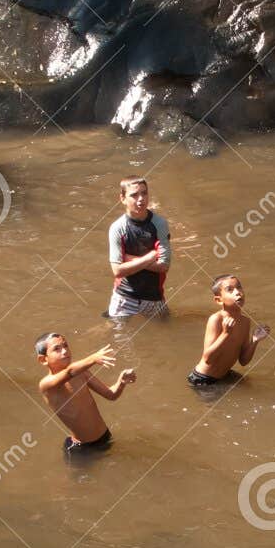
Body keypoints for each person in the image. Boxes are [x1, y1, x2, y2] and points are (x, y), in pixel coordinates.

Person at [36, 333, 136, 457]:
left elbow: (111, 395)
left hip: (105, 436)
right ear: (43, 359)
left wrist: (121, 382)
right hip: (82, 448)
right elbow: (70, 371)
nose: (65, 351)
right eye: (57, 349)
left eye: (66, 345)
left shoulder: (82, 372)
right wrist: (93, 358)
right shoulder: (46, 384)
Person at [189, 274, 268, 389]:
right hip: (203, 379)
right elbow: (208, 359)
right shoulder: (216, 319)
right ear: (219, 300)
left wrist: (255, 340)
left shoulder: (246, 322)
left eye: (239, 287)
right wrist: (225, 334)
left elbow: (243, 360)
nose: (237, 292)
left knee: (249, 387)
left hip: (225, 375)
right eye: (230, 290)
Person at [106, 176, 170, 319]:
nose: (141, 199)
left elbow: (164, 266)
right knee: (118, 336)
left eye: (144, 193)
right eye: (134, 195)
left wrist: (129, 259)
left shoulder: (159, 224)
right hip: (124, 296)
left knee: (165, 333)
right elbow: (117, 271)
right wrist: (150, 257)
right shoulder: (117, 228)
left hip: (154, 296)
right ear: (122, 198)